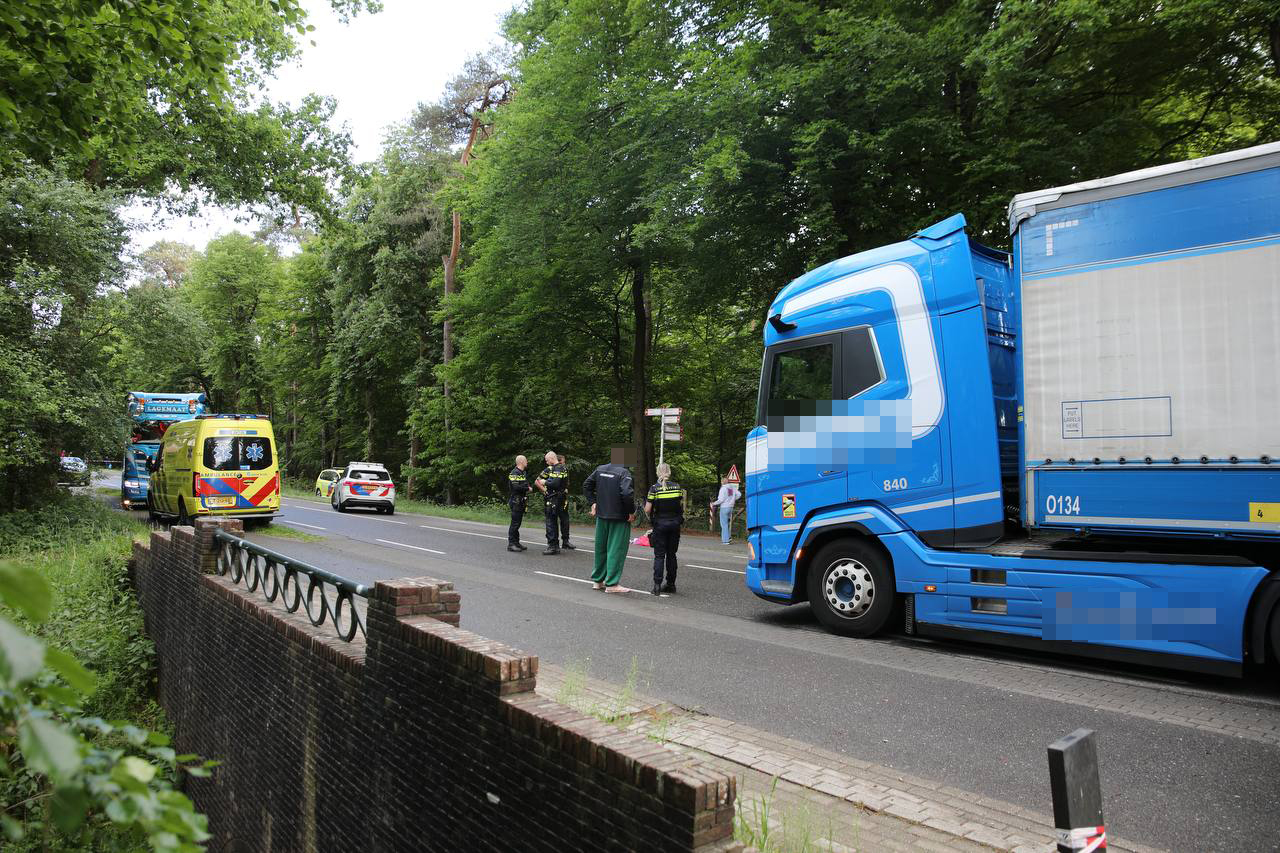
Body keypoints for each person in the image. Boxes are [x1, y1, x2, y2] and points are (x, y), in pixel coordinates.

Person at [583, 447, 635, 592]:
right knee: (616, 549)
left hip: (601, 515)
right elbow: (626, 494)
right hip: (619, 517)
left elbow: (586, 485)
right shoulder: (624, 473)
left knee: (601, 548)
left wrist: (593, 502)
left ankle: (598, 581)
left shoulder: (600, 469)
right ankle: (612, 584)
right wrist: (630, 511)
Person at [644, 462, 684, 596]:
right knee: (672, 555)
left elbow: (648, 509)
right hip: (675, 524)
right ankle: (671, 584)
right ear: (669, 472)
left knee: (659, 556)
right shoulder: (677, 487)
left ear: (657, 473)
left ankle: (656, 586)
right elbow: (679, 506)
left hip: (660, 524)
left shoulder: (654, 488)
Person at [535, 450, 573, 554]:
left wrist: (545, 482)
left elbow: (555, 483)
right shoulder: (556, 468)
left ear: (552, 459)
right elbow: (537, 481)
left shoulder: (559, 468)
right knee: (553, 521)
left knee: (551, 522)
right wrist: (545, 491)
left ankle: (553, 546)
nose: (546, 462)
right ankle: (555, 545)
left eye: (547, 460)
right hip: (556, 497)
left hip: (556, 499)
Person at [506, 454, 533, 552]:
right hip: (515, 501)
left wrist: (527, 487)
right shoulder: (514, 473)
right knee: (515, 523)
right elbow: (516, 487)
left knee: (518, 523)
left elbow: (524, 483)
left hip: (521, 501)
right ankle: (511, 544)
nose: (527, 462)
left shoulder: (522, 473)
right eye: (526, 460)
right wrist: (527, 488)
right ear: (521, 462)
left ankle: (516, 543)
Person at [709, 476, 740, 544]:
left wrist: (714, 503)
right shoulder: (732, 487)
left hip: (724, 507)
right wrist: (733, 499)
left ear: (723, 482)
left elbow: (721, 499)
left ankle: (725, 540)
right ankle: (728, 537)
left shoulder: (723, 489)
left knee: (724, 524)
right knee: (727, 523)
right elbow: (739, 495)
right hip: (731, 507)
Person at [555, 453, 573, 549]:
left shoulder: (565, 470)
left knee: (565, 520)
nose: (564, 463)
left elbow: (567, 483)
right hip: (554, 498)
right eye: (563, 461)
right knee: (553, 520)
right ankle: (554, 543)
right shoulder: (552, 470)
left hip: (563, 498)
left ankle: (565, 541)